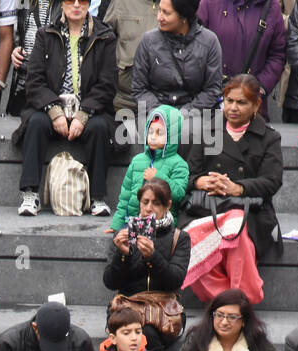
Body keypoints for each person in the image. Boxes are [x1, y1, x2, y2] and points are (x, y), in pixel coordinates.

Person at [180, 75, 283, 304]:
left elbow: (272, 181)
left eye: (241, 102)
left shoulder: (269, 137)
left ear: (256, 105)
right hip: (206, 208)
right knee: (187, 241)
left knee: (236, 230)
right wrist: (200, 182)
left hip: (250, 211)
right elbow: (186, 173)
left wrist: (238, 187)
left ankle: (240, 297)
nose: (233, 108)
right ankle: (232, 303)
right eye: (228, 101)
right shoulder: (209, 130)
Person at [16, 0, 117, 220]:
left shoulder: (104, 36)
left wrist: (83, 114)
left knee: (100, 128)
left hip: (90, 108)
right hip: (51, 106)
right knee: (35, 123)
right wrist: (54, 111)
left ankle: (98, 197)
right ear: (62, 4)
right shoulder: (46, 34)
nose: (77, 5)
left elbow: (107, 84)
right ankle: (30, 193)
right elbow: (35, 81)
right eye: (71, 0)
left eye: (83, 1)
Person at [102, 176, 190, 351]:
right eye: (145, 202)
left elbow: (175, 280)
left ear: (167, 206)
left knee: (146, 332)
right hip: (129, 304)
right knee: (135, 329)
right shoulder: (123, 234)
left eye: (156, 203)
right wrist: (122, 255)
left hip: (164, 308)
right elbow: (110, 282)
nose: (149, 208)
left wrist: (153, 256)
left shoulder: (179, 238)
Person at [196, 0, 284, 121]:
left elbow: (278, 55)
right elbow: (194, 47)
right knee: (214, 138)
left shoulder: (271, 7)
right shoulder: (209, 3)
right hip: (211, 105)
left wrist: (259, 88)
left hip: (252, 106)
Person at [131, 0, 222, 112]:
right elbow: (139, 88)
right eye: (159, 10)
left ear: (184, 16)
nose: (159, 17)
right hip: (155, 114)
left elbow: (212, 89)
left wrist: (184, 115)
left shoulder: (209, 42)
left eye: (166, 13)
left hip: (196, 116)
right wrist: (161, 114)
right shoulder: (149, 41)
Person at [109, 104, 188, 230]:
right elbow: (125, 195)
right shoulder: (137, 161)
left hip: (162, 227)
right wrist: (117, 225)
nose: (153, 136)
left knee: (150, 249)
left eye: (159, 133)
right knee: (128, 248)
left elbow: (179, 194)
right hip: (132, 223)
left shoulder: (179, 164)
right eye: (150, 131)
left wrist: (157, 177)